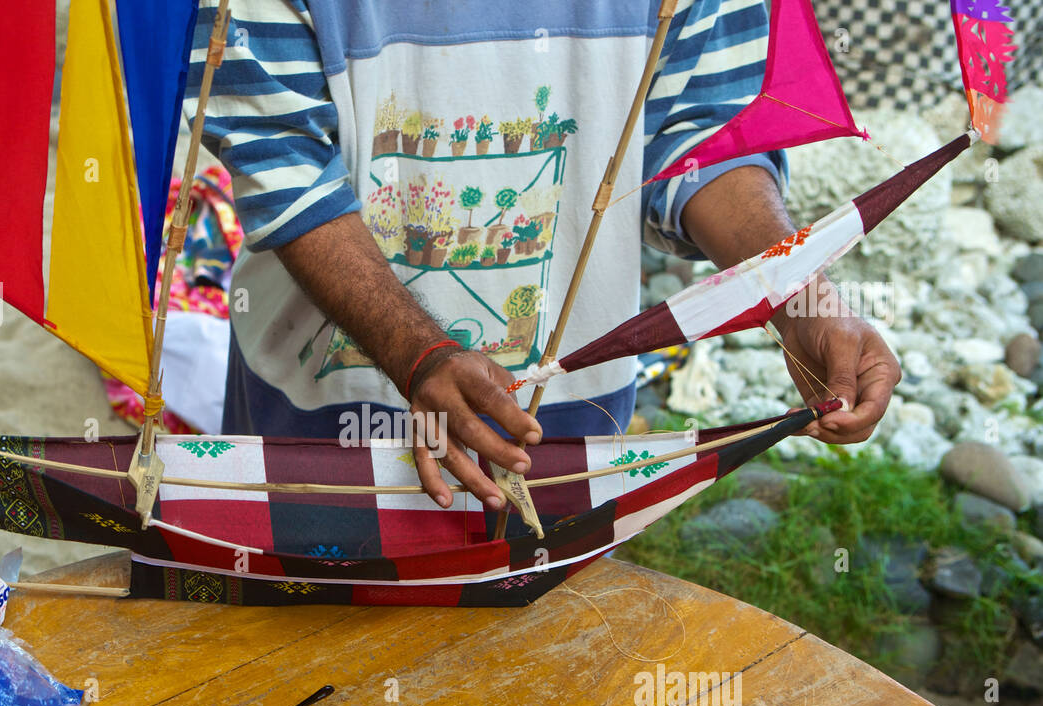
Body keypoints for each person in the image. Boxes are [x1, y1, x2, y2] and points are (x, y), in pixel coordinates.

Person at [191, 0, 901, 514]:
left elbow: (702, 141)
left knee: (552, 684)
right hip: (320, 432)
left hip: (566, 435)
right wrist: (416, 353)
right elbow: (283, 161)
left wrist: (799, 297)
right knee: (296, 680)